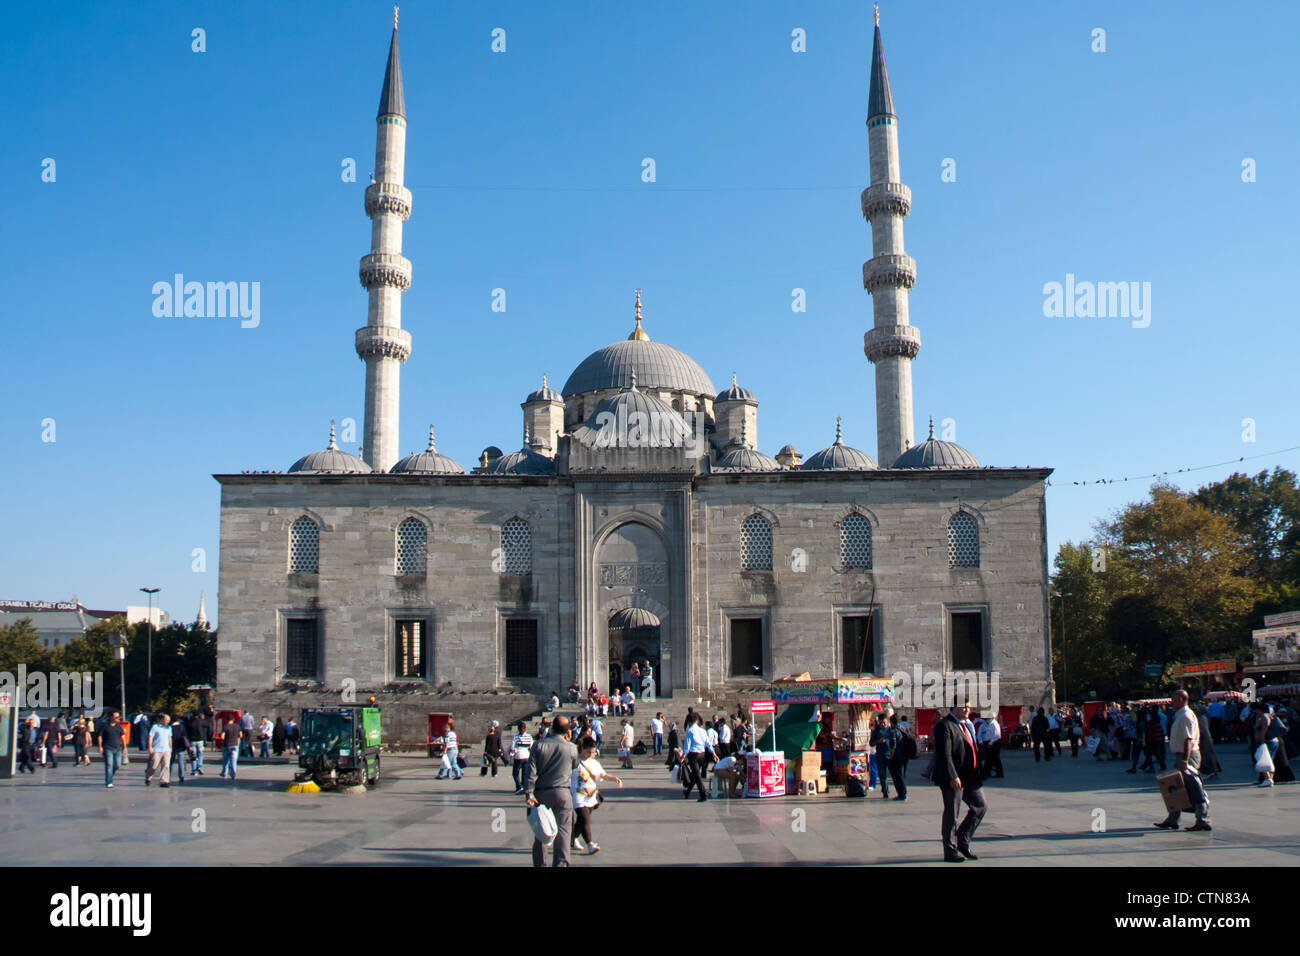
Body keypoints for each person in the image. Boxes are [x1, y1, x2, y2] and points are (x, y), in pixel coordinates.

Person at [932, 700, 986, 862]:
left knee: (980, 806)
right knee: (952, 814)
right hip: (954, 777)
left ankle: (963, 839)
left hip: (970, 776)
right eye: (964, 707)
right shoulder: (945, 725)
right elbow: (944, 754)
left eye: (969, 707)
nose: (967, 710)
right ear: (954, 707)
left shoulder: (966, 724)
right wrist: (952, 776)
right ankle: (950, 851)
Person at [524, 715, 579, 867]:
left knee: (541, 832)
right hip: (563, 792)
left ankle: (540, 864)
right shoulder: (572, 748)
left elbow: (530, 771)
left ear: (552, 727)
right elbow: (575, 765)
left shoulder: (538, 745)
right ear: (567, 731)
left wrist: (529, 793)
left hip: (541, 793)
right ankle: (561, 863)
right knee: (563, 832)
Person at [1154, 690, 1211, 831]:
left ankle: (1203, 819)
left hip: (1187, 756)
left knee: (1195, 788)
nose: (1170, 702)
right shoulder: (1180, 715)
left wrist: (1185, 760)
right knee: (1177, 788)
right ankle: (1173, 819)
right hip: (1181, 755)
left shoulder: (1185, 715)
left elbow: (1188, 739)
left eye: (1173, 699)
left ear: (1180, 699)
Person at [572, 736, 621, 855]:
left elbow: (603, 775)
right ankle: (590, 844)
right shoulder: (575, 762)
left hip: (591, 796)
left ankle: (571, 839)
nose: (590, 754)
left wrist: (615, 779)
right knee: (585, 819)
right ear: (582, 749)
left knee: (581, 821)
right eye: (588, 751)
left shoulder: (595, 763)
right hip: (578, 795)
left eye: (592, 752)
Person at [681, 714, 717, 802]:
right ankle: (688, 791)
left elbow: (687, 745)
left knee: (697, 775)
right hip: (702, 754)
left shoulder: (690, 731)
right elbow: (708, 743)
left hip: (694, 754)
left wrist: (683, 756)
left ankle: (703, 794)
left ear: (689, 722)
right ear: (697, 721)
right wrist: (714, 754)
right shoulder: (703, 731)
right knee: (695, 774)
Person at [870, 713, 898, 799]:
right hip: (880, 755)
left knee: (894, 775)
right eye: (881, 722)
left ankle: (899, 792)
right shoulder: (876, 731)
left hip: (890, 755)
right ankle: (885, 792)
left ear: (887, 721)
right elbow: (871, 743)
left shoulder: (891, 730)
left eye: (884, 722)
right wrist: (878, 741)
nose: (883, 724)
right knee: (882, 775)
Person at [98, 711, 125, 787]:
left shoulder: (119, 726)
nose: (118, 718)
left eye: (118, 717)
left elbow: (122, 737)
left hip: (118, 749)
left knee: (117, 765)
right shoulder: (105, 726)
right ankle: (109, 781)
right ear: (111, 717)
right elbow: (100, 736)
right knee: (109, 765)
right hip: (107, 748)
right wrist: (100, 746)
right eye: (116, 717)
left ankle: (109, 775)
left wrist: (125, 747)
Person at [145, 714, 173, 787]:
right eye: (167, 720)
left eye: (169, 720)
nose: (168, 722)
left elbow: (169, 738)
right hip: (157, 750)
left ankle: (164, 781)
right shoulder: (155, 727)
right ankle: (148, 777)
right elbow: (150, 737)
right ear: (162, 719)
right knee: (154, 766)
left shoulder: (169, 728)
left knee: (166, 766)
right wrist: (150, 747)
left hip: (166, 749)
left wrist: (170, 748)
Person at [888, 713, 911, 799]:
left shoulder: (893, 731)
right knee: (900, 775)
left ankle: (902, 794)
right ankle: (903, 793)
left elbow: (893, 746)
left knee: (897, 776)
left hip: (897, 756)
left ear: (891, 722)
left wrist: (891, 756)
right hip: (903, 755)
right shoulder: (902, 729)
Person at [510, 721, 534, 794]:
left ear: (518, 729)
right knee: (524, 773)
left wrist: (513, 752)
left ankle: (519, 786)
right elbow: (532, 747)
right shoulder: (529, 736)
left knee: (515, 773)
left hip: (518, 756)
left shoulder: (516, 736)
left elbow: (512, 747)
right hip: (526, 756)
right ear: (525, 729)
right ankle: (523, 787)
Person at [979, 713, 1003, 779]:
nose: (986, 720)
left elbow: (996, 735)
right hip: (989, 742)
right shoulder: (989, 724)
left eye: (987, 719)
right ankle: (987, 772)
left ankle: (999, 773)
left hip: (994, 742)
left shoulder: (994, 724)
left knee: (995, 758)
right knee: (989, 758)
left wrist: (991, 742)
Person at [220, 715, 241, 780]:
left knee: (225, 760)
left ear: (227, 720)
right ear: (233, 719)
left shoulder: (225, 727)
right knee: (233, 761)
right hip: (235, 745)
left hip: (226, 745)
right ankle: (233, 774)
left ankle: (224, 773)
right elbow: (240, 735)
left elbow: (222, 737)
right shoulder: (237, 726)